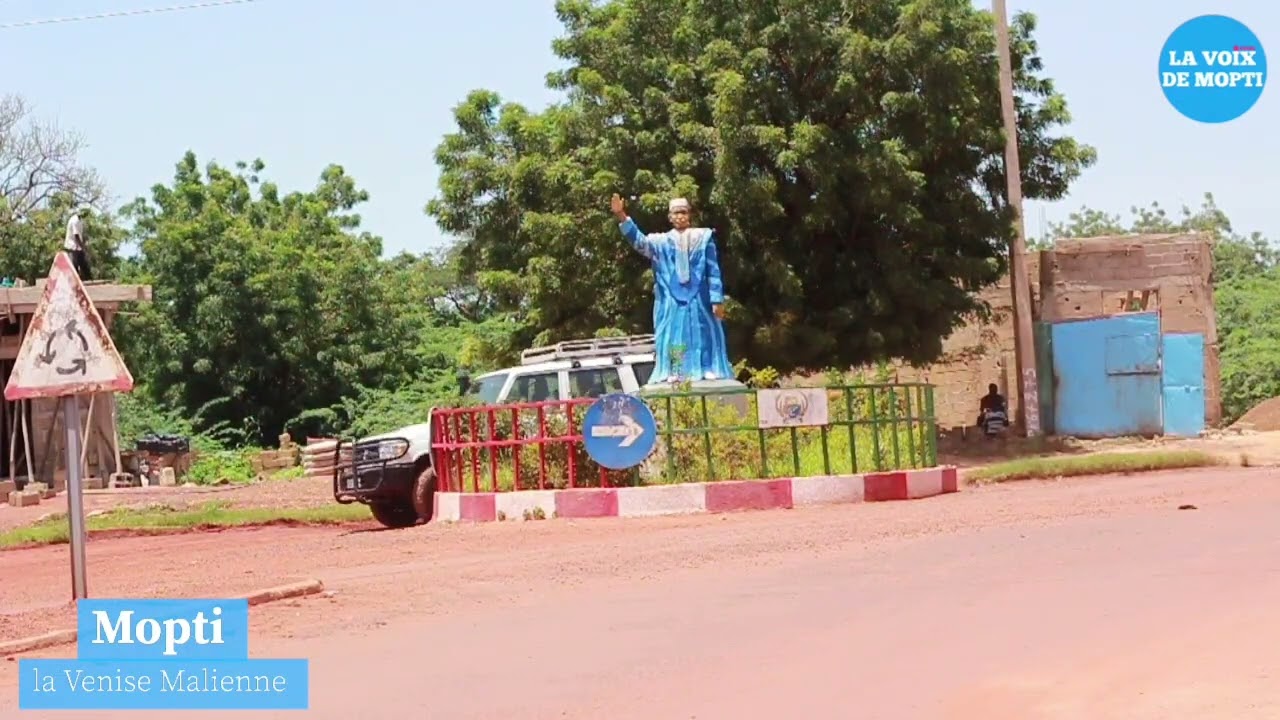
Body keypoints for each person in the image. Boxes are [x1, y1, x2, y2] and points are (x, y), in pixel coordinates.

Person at [611, 193, 734, 385]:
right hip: (672, 300)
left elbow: (713, 269)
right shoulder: (661, 242)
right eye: (675, 213)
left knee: (703, 333)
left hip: (699, 299)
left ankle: (707, 366)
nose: (679, 216)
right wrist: (621, 216)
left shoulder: (703, 237)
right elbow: (640, 242)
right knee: (674, 336)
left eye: (683, 212)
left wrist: (716, 299)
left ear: (689, 214)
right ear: (669, 217)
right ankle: (676, 370)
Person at [64, 212, 92, 280]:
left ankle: (87, 277)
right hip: (72, 244)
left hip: (78, 244)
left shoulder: (80, 220)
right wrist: (81, 245)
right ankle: (75, 278)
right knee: (75, 261)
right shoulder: (74, 221)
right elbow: (76, 235)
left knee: (82, 260)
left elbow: (81, 233)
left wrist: (84, 242)